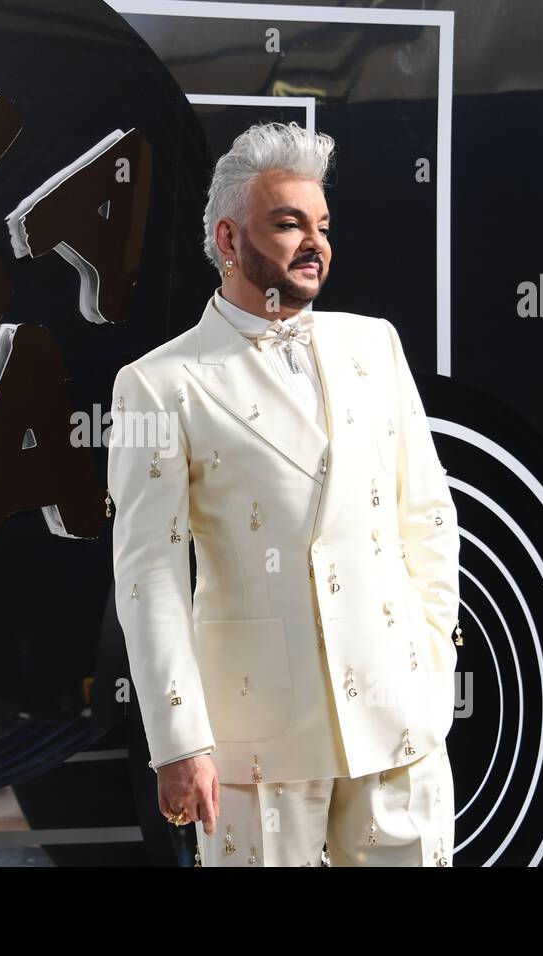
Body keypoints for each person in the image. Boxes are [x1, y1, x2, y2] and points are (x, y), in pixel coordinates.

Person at [107, 121, 460, 866]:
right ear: (229, 239)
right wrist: (178, 739)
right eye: (289, 222)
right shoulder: (153, 386)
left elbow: (426, 516)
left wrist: (429, 666)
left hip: (398, 718)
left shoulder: (376, 346)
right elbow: (149, 575)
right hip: (255, 738)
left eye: (322, 224)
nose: (315, 243)